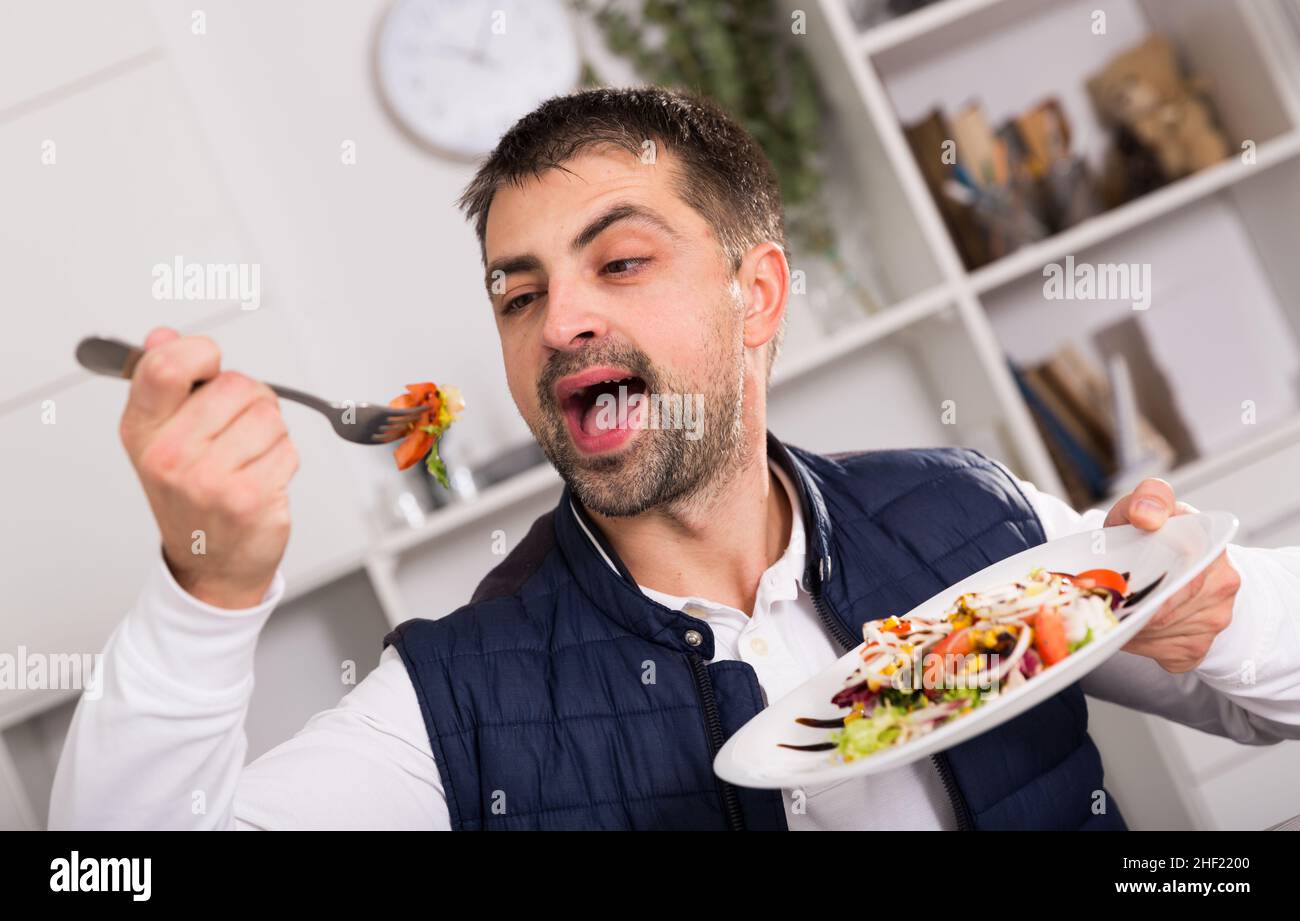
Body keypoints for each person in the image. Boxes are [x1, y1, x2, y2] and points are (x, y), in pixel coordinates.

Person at [50, 87, 1300, 830]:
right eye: (517, 292)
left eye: (622, 261)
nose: (562, 321)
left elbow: (1274, 694)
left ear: (756, 294)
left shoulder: (968, 517)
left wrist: (1209, 616)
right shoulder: (455, 711)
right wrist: (204, 588)